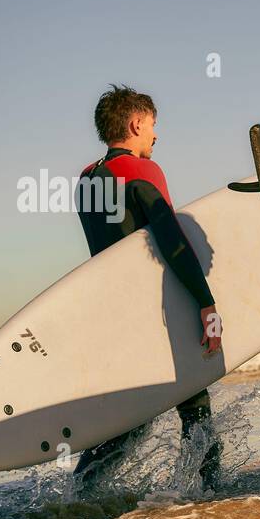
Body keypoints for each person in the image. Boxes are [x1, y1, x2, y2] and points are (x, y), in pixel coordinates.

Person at [73, 84, 224, 491]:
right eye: (153, 126)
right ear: (136, 123)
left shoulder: (87, 181)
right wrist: (206, 304)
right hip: (160, 310)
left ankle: (78, 494)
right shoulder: (143, 172)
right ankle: (209, 497)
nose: (156, 135)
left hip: (117, 315)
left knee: (131, 423)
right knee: (195, 407)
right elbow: (172, 244)